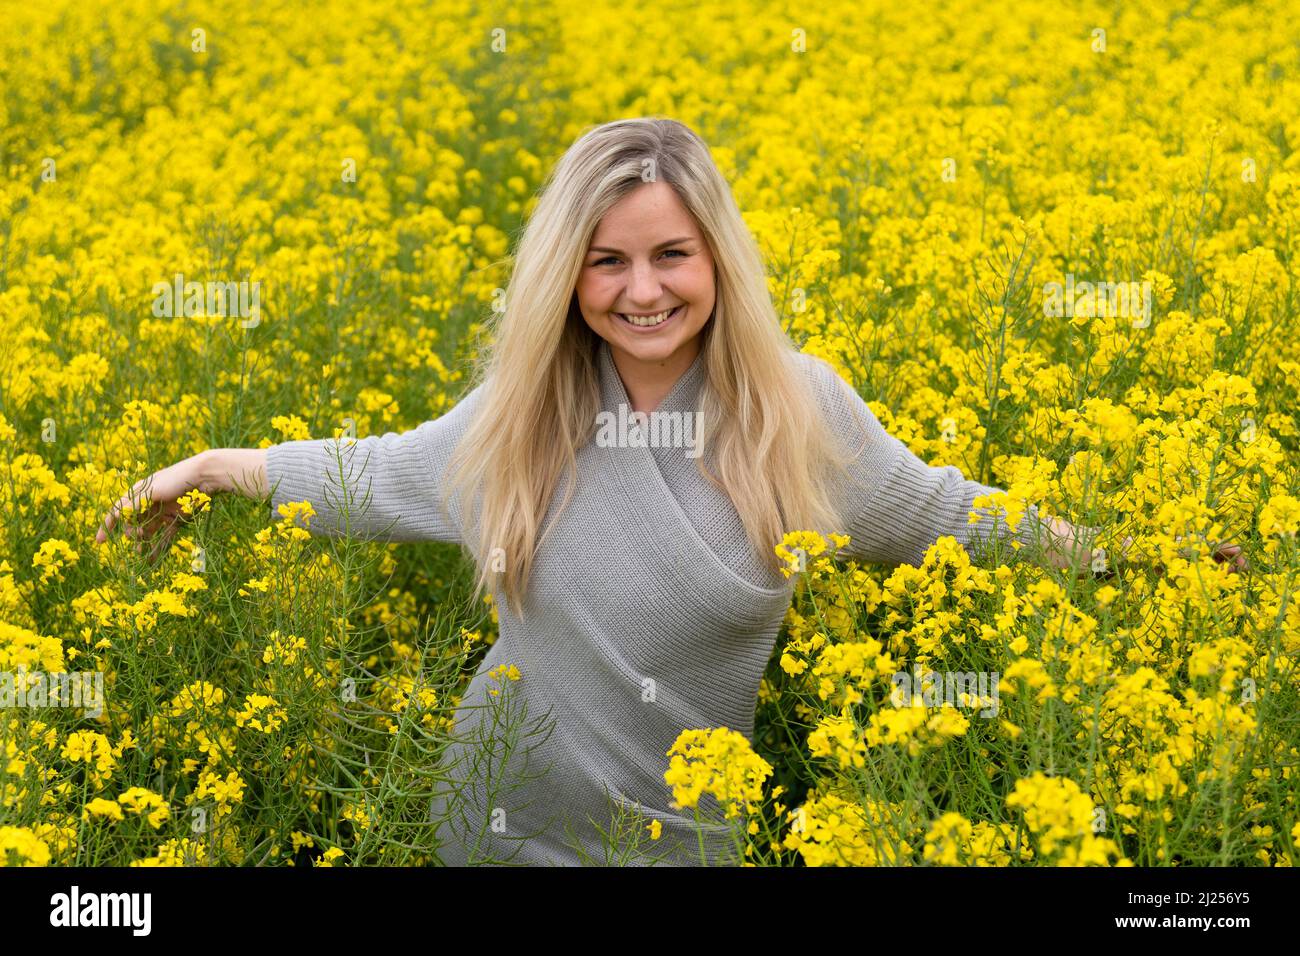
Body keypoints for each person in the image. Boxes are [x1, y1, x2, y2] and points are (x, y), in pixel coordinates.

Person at [94, 117, 1247, 866]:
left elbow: (953, 518)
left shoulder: (798, 417)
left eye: (670, 256)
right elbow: (368, 471)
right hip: (489, 822)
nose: (640, 291)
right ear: (567, 275)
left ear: (717, 264)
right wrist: (210, 469)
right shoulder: (526, 413)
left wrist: (1138, 554)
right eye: (605, 260)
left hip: (680, 841)